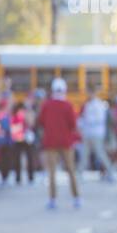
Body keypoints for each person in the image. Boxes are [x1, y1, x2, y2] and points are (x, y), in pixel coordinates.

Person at [38, 78, 81, 209]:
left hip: (50, 142)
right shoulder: (68, 105)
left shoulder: (47, 104)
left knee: (52, 172)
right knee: (71, 170)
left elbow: (41, 121)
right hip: (66, 142)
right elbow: (73, 124)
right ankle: (76, 197)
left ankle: (52, 199)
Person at [78, 91, 113, 180]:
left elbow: (99, 119)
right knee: (84, 153)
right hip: (87, 133)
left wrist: (87, 120)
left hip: (96, 133)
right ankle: (79, 173)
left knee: (100, 153)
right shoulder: (87, 104)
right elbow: (83, 117)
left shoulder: (99, 104)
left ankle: (110, 171)